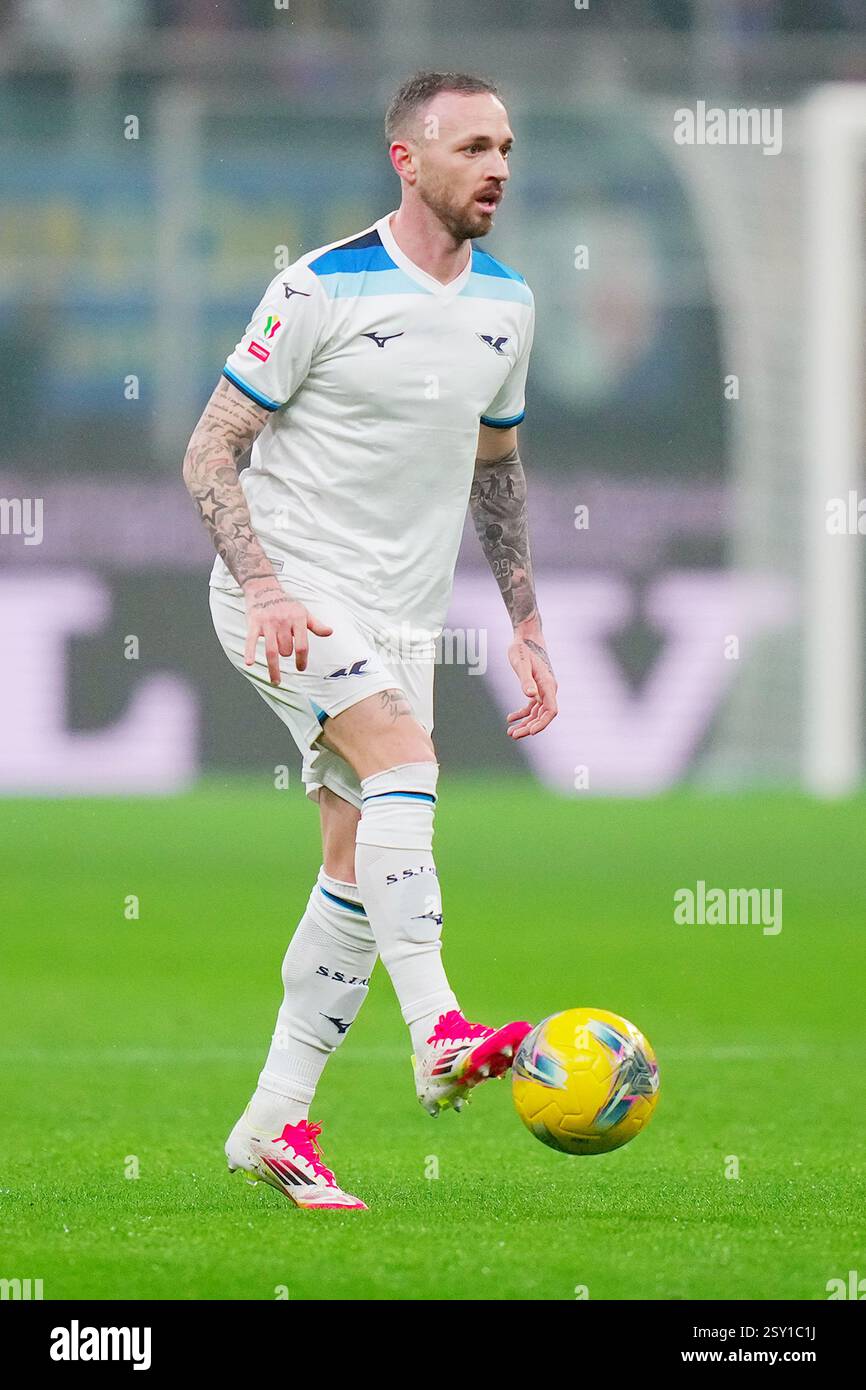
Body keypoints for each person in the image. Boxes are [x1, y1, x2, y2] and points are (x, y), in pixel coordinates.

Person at [182, 70, 558, 1210]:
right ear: (407, 158)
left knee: (353, 865)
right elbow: (208, 450)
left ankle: (273, 1123)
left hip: (400, 617)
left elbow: (495, 469)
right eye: (472, 146)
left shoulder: (508, 304)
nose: (496, 166)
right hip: (285, 594)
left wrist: (525, 620)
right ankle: (437, 1027)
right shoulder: (320, 287)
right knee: (405, 765)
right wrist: (266, 586)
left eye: (506, 145)